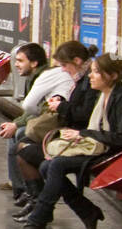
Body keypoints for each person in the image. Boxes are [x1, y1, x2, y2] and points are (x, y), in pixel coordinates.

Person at [11, 54, 122, 229]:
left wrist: (82, 134)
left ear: (112, 76)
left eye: (96, 73)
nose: (91, 76)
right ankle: (87, 211)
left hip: (115, 153)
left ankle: (37, 222)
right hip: (101, 146)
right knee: (45, 165)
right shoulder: (105, 95)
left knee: (56, 164)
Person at [13, 42, 98, 210]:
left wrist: (61, 107)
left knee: (42, 161)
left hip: (83, 136)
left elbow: (85, 114)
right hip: (75, 132)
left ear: (78, 61)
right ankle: (38, 205)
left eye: (65, 65)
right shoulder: (81, 80)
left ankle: (39, 211)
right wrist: (61, 103)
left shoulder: (88, 83)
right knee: (25, 150)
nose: (63, 70)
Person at [0, 42, 75, 200]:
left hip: (57, 125)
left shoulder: (44, 76)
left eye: (20, 61)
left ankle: (25, 189)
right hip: (50, 121)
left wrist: (16, 124)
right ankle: (22, 187)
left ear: (34, 63)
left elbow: (31, 107)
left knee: (19, 136)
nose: (16, 64)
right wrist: (16, 123)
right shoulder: (36, 76)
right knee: (16, 135)